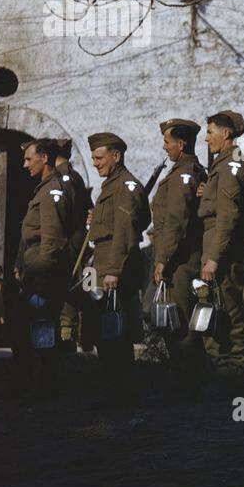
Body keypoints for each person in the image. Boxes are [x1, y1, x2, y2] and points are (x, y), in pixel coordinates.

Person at [196, 110, 244, 393]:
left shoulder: (231, 165)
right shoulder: (222, 165)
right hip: (216, 245)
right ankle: (223, 372)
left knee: (229, 312)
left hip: (223, 250)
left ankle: (234, 374)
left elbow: (228, 217)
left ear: (226, 134)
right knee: (216, 309)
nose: (207, 138)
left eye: (211, 132)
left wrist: (214, 258)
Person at [86, 131, 150, 383]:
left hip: (116, 268)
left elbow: (125, 232)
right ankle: (114, 387)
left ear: (116, 156)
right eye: (93, 158)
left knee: (116, 333)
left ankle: (121, 390)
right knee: (106, 332)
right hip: (103, 264)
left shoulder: (125, 186)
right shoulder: (111, 186)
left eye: (100, 158)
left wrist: (113, 270)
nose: (95, 163)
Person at [150, 118, 208, 388]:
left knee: (180, 321)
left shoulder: (185, 173)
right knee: (174, 321)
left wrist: (163, 259)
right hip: (177, 257)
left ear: (181, 144)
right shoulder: (184, 171)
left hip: (179, 261)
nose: (166, 148)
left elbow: (177, 220)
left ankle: (188, 384)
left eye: (168, 143)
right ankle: (186, 379)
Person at [14, 138, 74, 386]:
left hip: (43, 277)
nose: (25, 164)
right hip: (35, 272)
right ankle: (38, 382)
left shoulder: (51, 191)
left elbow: (52, 240)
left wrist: (37, 275)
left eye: (29, 159)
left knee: (38, 330)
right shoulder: (42, 189)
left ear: (45, 158)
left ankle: (44, 384)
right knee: (32, 330)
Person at [53, 138, 92, 347]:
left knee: (68, 289)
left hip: (68, 242)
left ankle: (68, 337)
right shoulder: (74, 176)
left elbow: (64, 215)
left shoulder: (64, 178)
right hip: (73, 241)